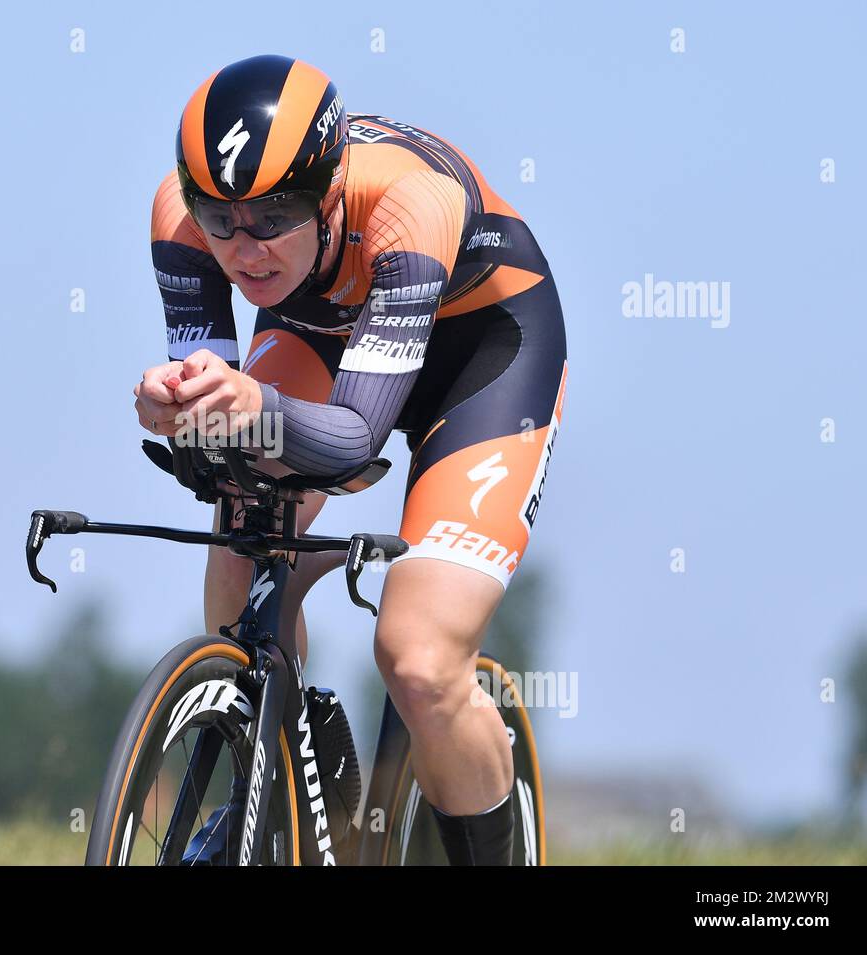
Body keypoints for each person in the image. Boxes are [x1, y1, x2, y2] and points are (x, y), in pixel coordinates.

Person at [134, 53, 566, 865]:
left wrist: (251, 407)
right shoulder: (180, 212)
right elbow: (217, 416)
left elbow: (353, 438)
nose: (243, 246)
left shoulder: (411, 203)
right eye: (221, 218)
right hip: (325, 338)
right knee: (239, 542)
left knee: (420, 659)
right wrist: (176, 408)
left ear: (329, 192)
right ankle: (283, 790)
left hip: (480, 353)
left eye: (275, 215)